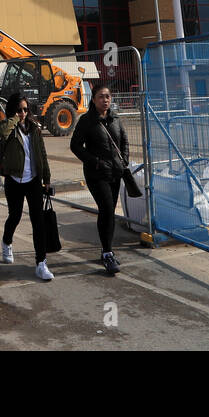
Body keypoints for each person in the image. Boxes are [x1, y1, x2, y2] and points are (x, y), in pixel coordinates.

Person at [0, 95, 55, 281]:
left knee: (38, 221)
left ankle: (41, 263)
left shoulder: (35, 129)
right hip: (14, 180)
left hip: (33, 180)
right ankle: (7, 241)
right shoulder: (9, 127)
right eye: (19, 110)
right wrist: (14, 118)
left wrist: (47, 178)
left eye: (25, 109)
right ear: (13, 111)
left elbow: (42, 154)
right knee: (15, 215)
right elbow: (2, 132)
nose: (23, 113)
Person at [70, 81, 127, 274]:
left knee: (108, 212)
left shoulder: (115, 118)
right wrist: (94, 161)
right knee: (107, 208)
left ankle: (107, 249)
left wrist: (124, 161)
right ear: (93, 100)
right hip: (97, 173)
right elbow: (75, 146)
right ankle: (107, 253)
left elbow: (124, 141)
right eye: (101, 96)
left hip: (115, 173)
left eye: (108, 96)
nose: (105, 100)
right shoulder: (86, 121)